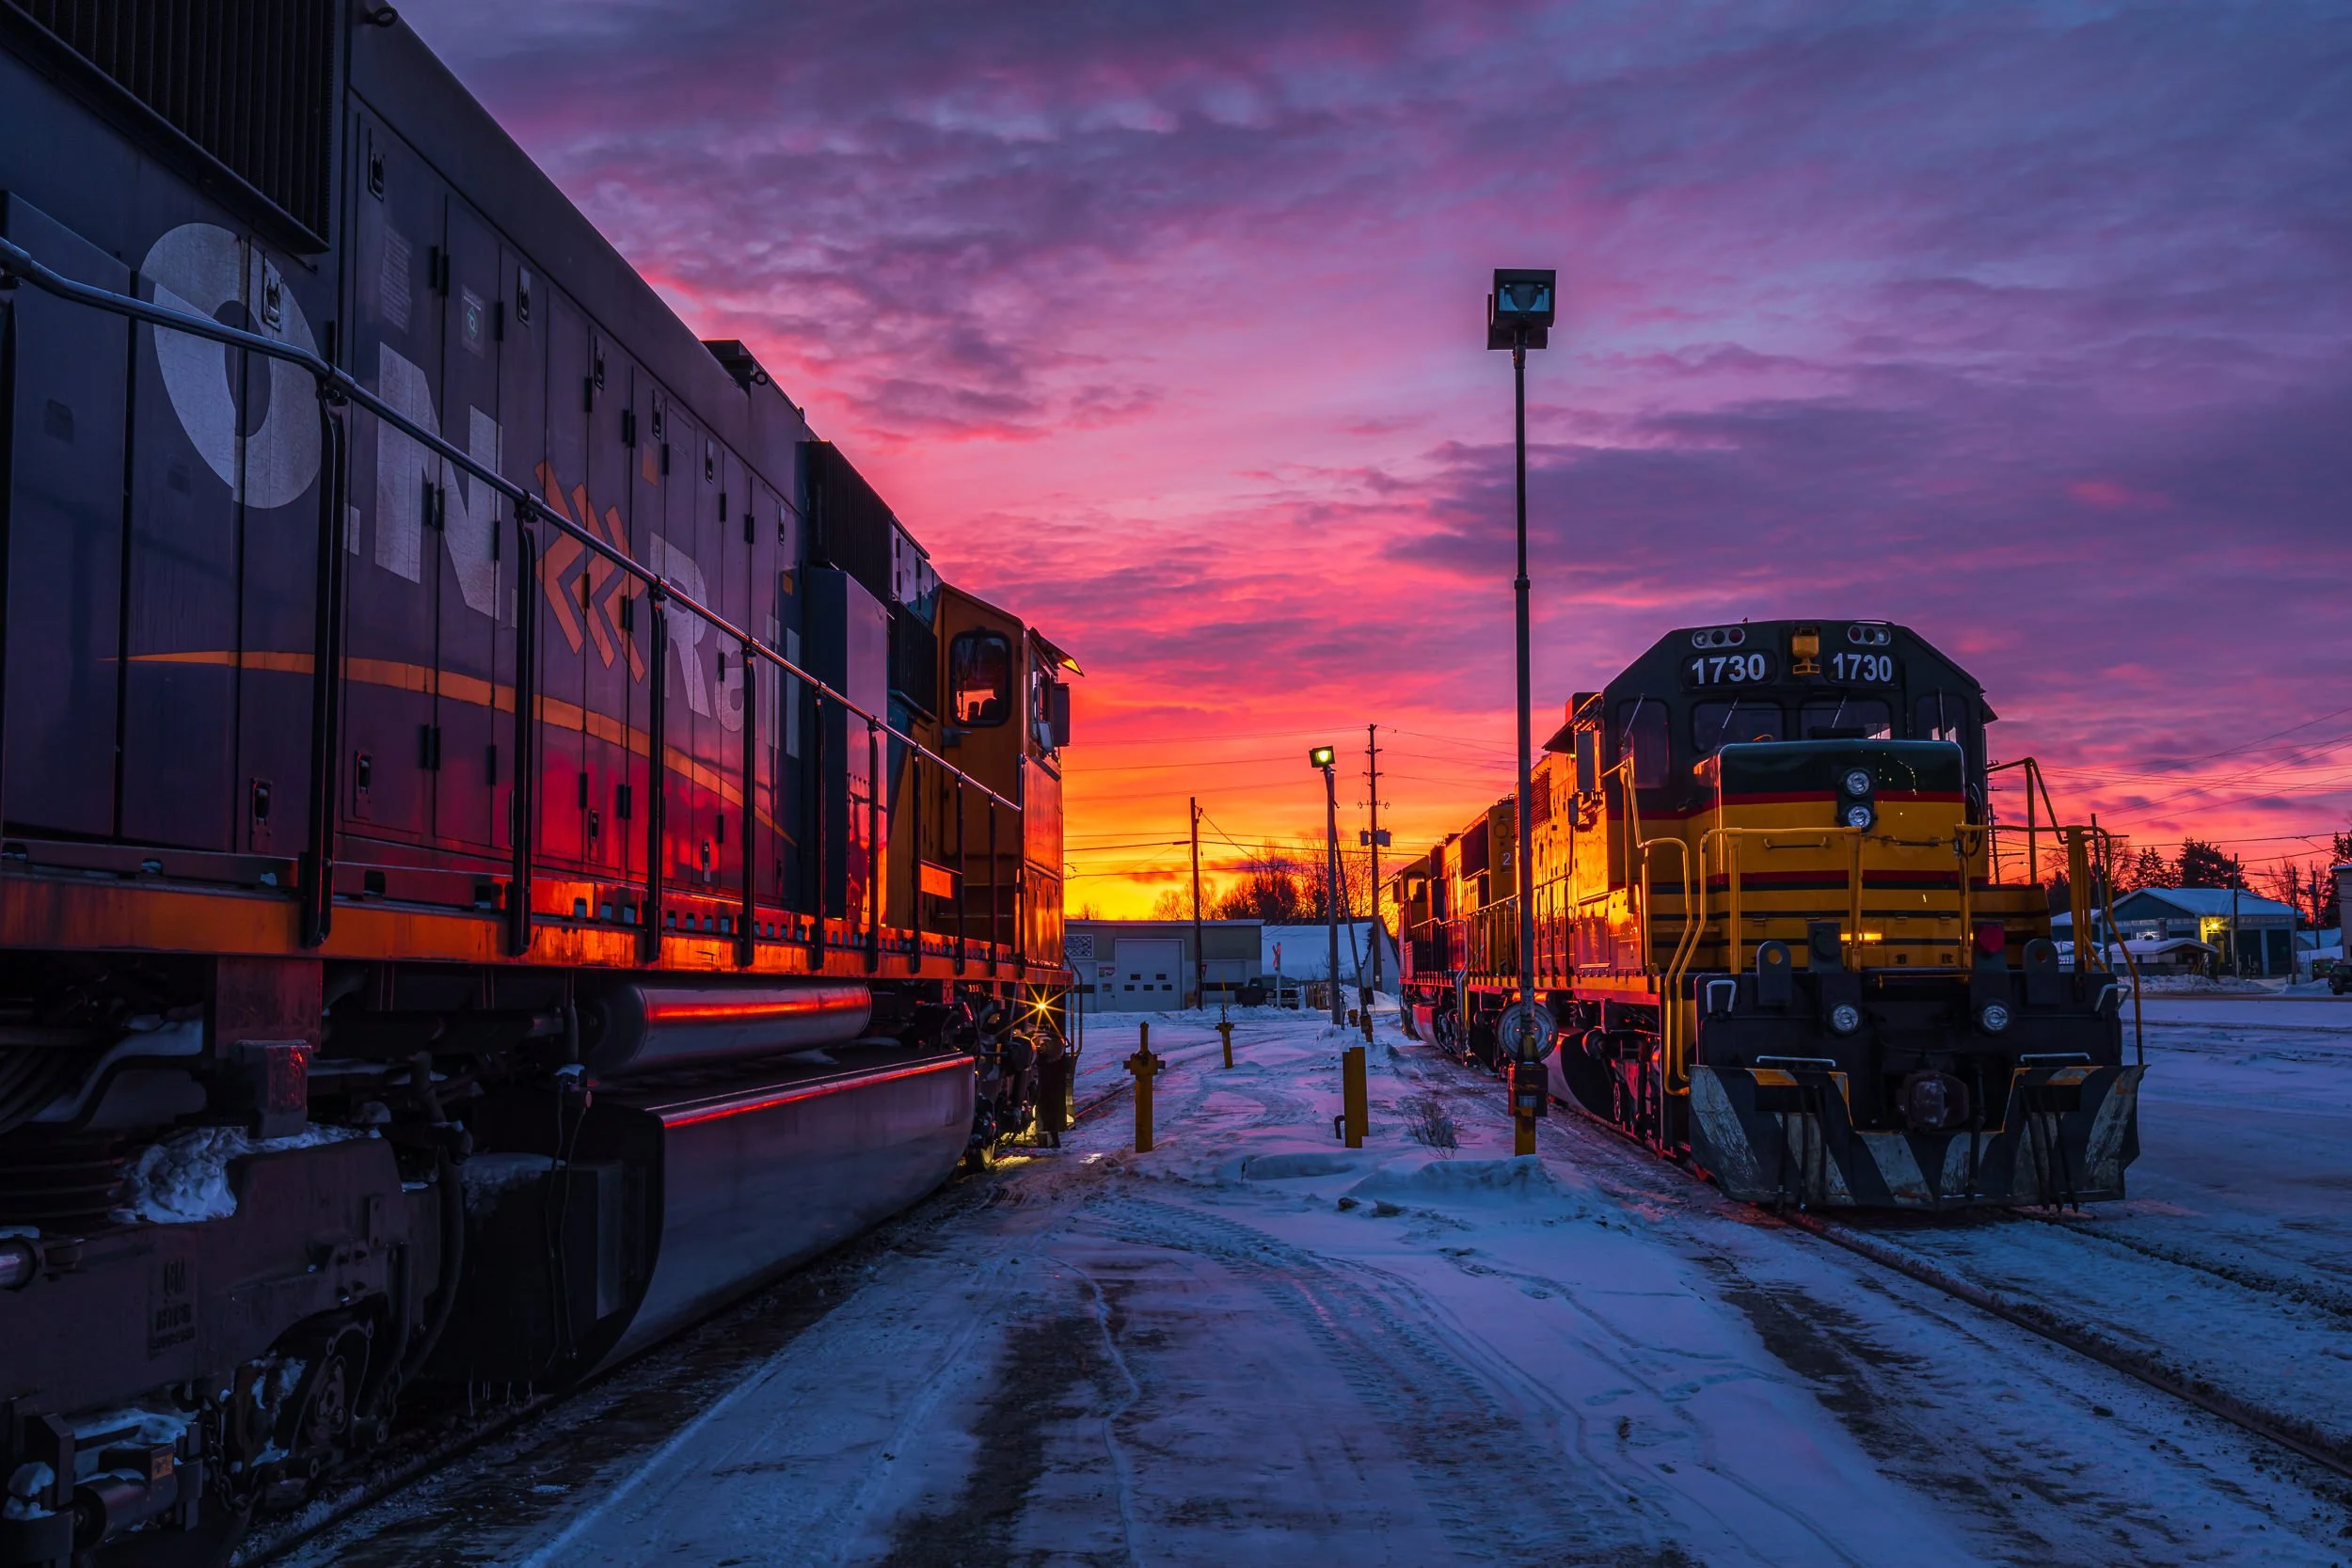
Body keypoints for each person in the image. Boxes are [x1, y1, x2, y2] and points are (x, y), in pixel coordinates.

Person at [1033, 1027, 1072, 1148]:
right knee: (1049, 1103)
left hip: (1049, 1076)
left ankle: (1050, 1137)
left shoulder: (1054, 1048)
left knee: (1049, 1103)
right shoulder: (1055, 1046)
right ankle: (1051, 1137)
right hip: (1049, 1075)